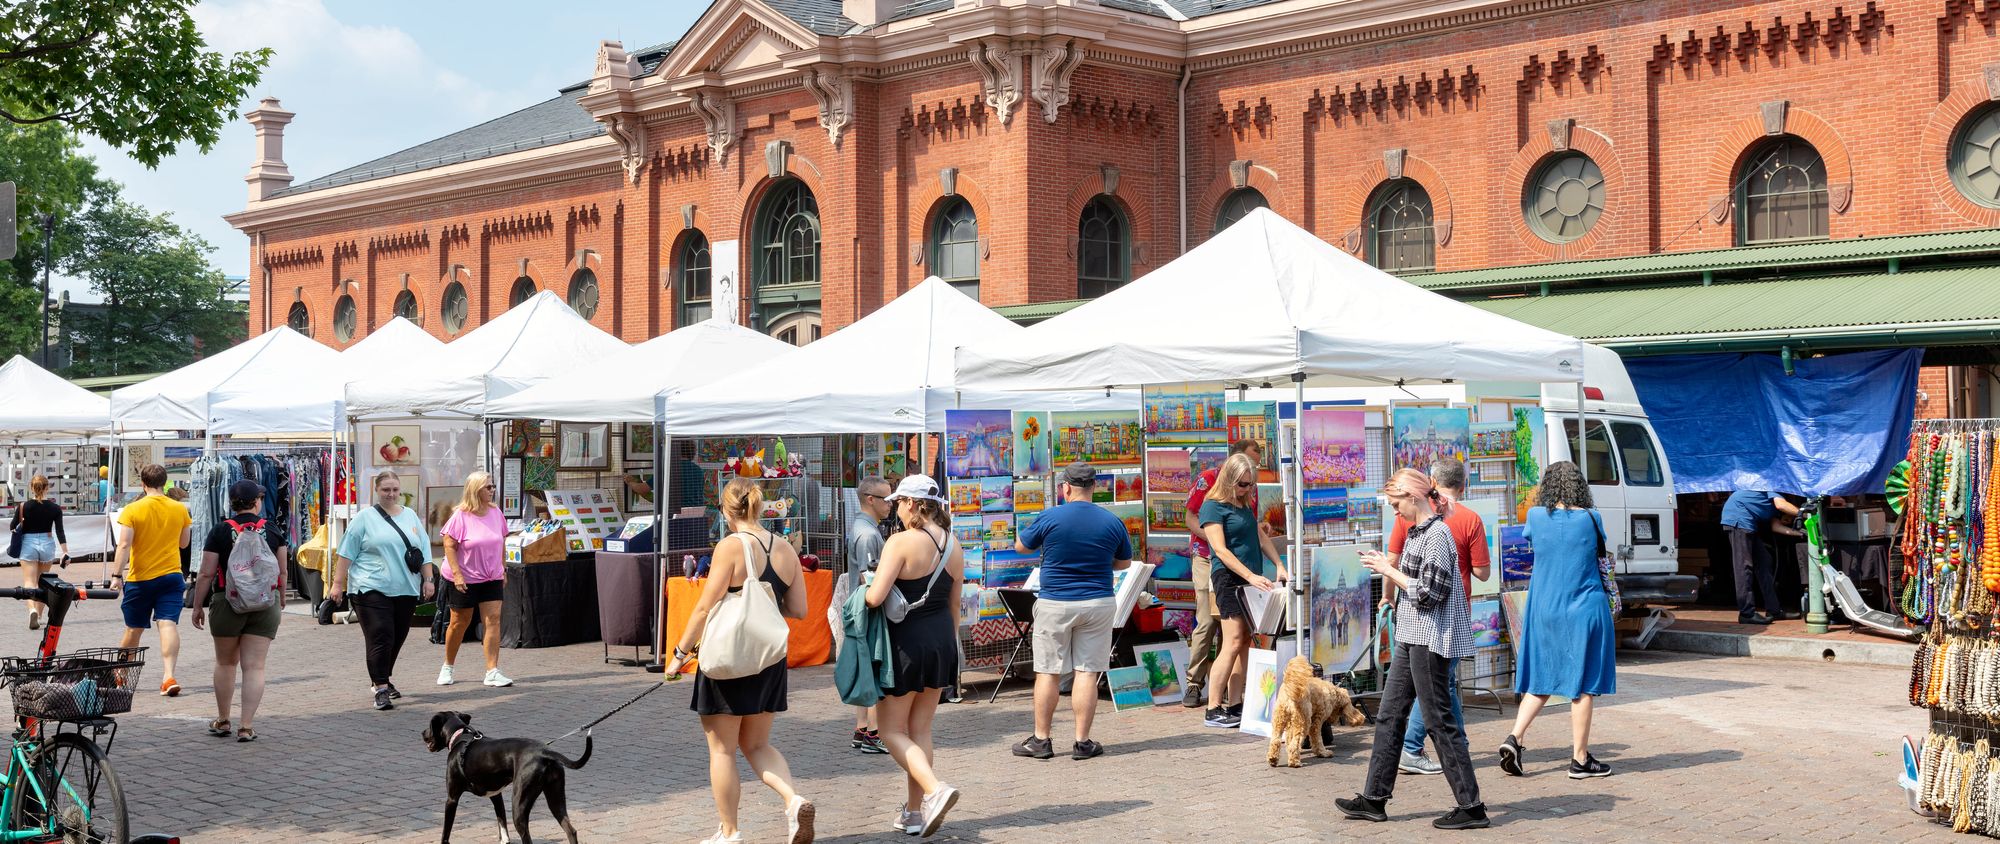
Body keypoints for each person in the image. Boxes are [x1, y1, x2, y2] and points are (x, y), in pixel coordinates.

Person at [665, 478, 814, 844]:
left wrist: (679, 655)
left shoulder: (730, 547)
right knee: (759, 745)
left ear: (725, 510)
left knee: (722, 750)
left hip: (729, 659)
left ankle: (729, 831)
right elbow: (799, 609)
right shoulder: (785, 548)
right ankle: (793, 800)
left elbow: (704, 606)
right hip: (768, 659)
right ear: (760, 507)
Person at [1338, 468, 1486, 830]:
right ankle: (1374, 798)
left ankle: (1472, 806)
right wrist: (1389, 568)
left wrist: (1387, 570)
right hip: (1413, 634)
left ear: (1414, 496)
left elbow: (1428, 594)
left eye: (1395, 503)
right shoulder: (1421, 532)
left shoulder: (1436, 535)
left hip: (1431, 638)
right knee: (1390, 714)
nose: (1394, 511)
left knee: (1439, 720)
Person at [1500, 460, 1618, 781]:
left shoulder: (1536, 517)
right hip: (1585, 607)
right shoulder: (1592, 518)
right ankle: (1579, 759)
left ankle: (1515, 738)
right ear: (1581, 485)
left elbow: (1533, 543)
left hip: (1545, 608)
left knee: (1543, 676)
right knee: (1583, 684)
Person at [1012, 461, 1133, 760]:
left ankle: (1041, 740)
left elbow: (1020, 547)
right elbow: (1124, 563)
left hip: (1056, 602)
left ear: (1065, 487)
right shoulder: (1111, 521)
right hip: (1098, 602)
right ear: (1095, 488)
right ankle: (1082, 741)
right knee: (1087, 672)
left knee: (1048, 672)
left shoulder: (1050, 516)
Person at [865, 474, 964, 837]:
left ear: (911, 503)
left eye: (898, 502)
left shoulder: (900, 542)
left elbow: (876, 597)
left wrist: (861, 591)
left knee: (890, 730)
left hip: (904, 644)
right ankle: (912, 813)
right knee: (920, 729)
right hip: (940, 642)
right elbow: (955, 606)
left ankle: (934, 791)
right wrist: (950, 650)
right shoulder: (954, 544)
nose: (895, 509)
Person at [1385, 458, 1490, 776]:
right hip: (1451, 615)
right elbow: (1483, 573)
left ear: (1432, 480)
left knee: (1438, 684)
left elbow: (1392, 557)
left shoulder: (1411, 514)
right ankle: (1413, 747)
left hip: (1413, 613)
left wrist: (1387, 596)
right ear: (1463, 485)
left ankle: (1457, 744)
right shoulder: (1470, 518)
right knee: (1436, 686)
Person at [329, 470, 436, 711]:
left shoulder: (410, 517)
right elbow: (346, 553)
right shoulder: (364, 518)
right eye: (386, 489)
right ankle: (380, 688)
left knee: (397, 637)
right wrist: (337, 584)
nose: (391, 494)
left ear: (400, 491)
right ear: (376, 491)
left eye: (395, 490)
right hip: (370, 587)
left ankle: (383, 676)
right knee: (381, 634)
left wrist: (428, 579)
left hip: (405, 588)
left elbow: (424, 551)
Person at [189, 480, 286, 743]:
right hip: (265, 603)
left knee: (225, 662)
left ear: (232, 503)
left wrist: (197, 605)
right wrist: (281, 597)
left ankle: (223, 719)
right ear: (257, 502)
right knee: (254, 667)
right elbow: (282, 570)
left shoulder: (220, 531)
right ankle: (246, 726)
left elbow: (207, 573)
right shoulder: (273, 530)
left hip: (227, 602)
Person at [1197, 452, 1287, 729]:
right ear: (1229, 480)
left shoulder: (1244, 504)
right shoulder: (1212, 506)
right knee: (1233, 640)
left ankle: (1236, 702)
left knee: (1246, 641)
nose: (1247, 489)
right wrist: (1250, 575)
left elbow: (1260, 537)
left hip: (1250, 579)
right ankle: (1213, 707)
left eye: (1250, 485)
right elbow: (1220, 550)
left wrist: (1278, 564)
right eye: (1242, 484)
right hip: (1229, 579)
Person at [1180, 439, 1263, 709]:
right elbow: (1190, 516)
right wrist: (1216, 538)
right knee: (1207, 621)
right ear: (1235, 463)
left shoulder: (1249, 486)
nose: (1253, 472)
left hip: (1240, 566)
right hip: (1209, 559)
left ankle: (1233, 697)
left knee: (1238, 637)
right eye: (1250, 463)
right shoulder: (1208, 482)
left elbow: (1249, 523)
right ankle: (1195, 683)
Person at [113, 463, 192, 697]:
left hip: (141, 577)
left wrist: (116, 576)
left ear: (143, 484)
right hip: (171, 575)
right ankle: (168, 676)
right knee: (167, 624)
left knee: (133, 628)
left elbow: (124, 545)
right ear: (165, 482)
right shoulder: (179, 509)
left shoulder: (132, 509)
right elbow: (184, 543)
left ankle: (122, 674)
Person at [438, 471, 513, 688]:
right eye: (488, 487)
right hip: (465, 577)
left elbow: (501, 541)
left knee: (493, 619)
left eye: (492, 487)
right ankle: (448, 665)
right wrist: (458, 574)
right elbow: (449, 546)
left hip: (491, 576)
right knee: (459, 622)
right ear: (475, 490)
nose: (492, 490)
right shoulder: (460, 515)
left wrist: (503, 568)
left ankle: (492, 670)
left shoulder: (495, 512)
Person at [845, 475, 893, 754]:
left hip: (863, 605)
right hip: (868, 608)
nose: (890, 504)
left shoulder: (866, 528)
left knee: (866, 667)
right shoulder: (868, 534)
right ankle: (874, 732)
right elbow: (869, 578)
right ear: (870, 499)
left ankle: (863, 728)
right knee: (874, 669)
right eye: (885, 498)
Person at [1720, 487, 1800, 625]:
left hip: (1748, 523)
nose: (1787, 520)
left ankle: (1774, 610)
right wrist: (1804, 513)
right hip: (1738, 520)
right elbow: (1782, 505)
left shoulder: (1772, 505)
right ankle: (1746, 613)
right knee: (1744, 567)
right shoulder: (1774, 489)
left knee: (1764, 563)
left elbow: (1776, 527)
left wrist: (1800, 534)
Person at [11, 475, 69, 629]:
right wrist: (65, 552)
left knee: (29, 581)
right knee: (43, 582)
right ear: (47, 488)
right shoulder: (55, 508)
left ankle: (31, 611)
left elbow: (12, 526)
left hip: (28, 544)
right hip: (47, 544)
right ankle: (40, 614)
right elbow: (60, 531)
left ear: (31, 487)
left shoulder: (23, 507)